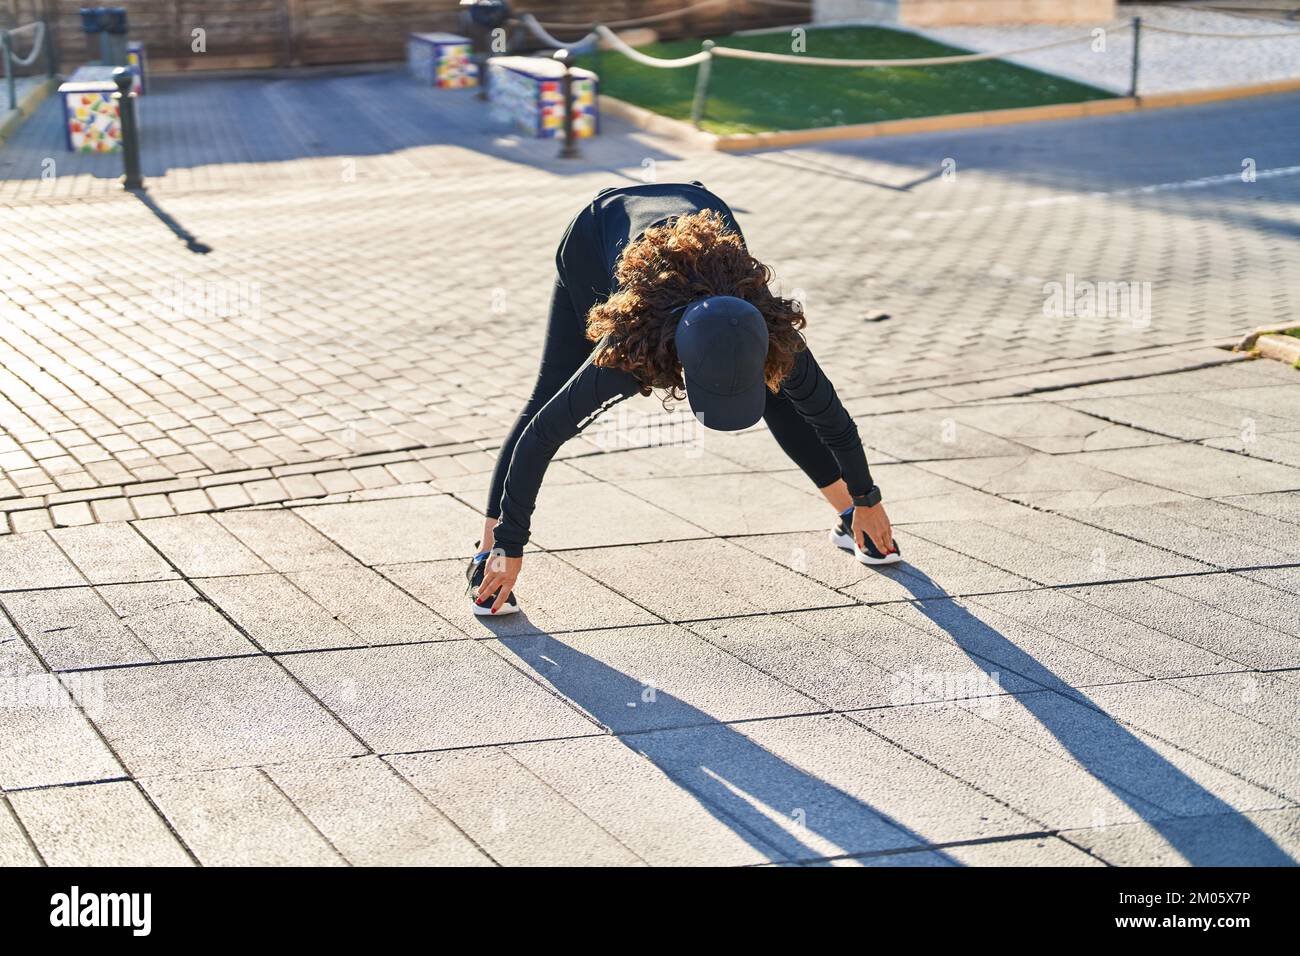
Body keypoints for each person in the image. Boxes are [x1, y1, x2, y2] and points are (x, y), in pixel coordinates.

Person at [469, 181, 899, 616]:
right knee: (550, 396)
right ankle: (487, 557)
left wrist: (867, 499)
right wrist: (509, 544)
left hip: (704, 220)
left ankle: (852, 518)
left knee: (778, 392)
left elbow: (834, 422)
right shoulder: (629, 346)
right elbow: (542, 435)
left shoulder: (768, 330)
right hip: (596, 236)